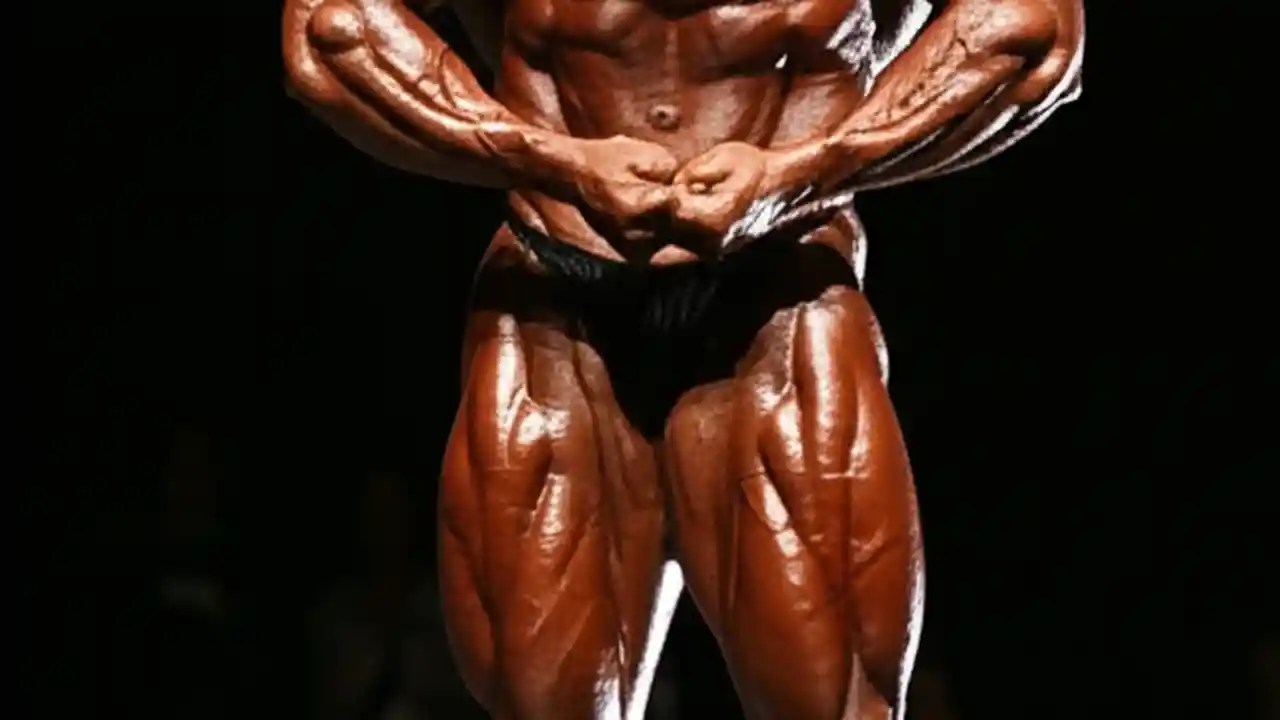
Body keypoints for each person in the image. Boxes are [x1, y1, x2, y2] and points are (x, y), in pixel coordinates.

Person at [282, 1, 1083, 717]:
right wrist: (552, 160)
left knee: (833, 702)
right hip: (557, 296)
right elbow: (326, 31)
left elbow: (1036, 31)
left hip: (776, 294)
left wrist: (804, 169)